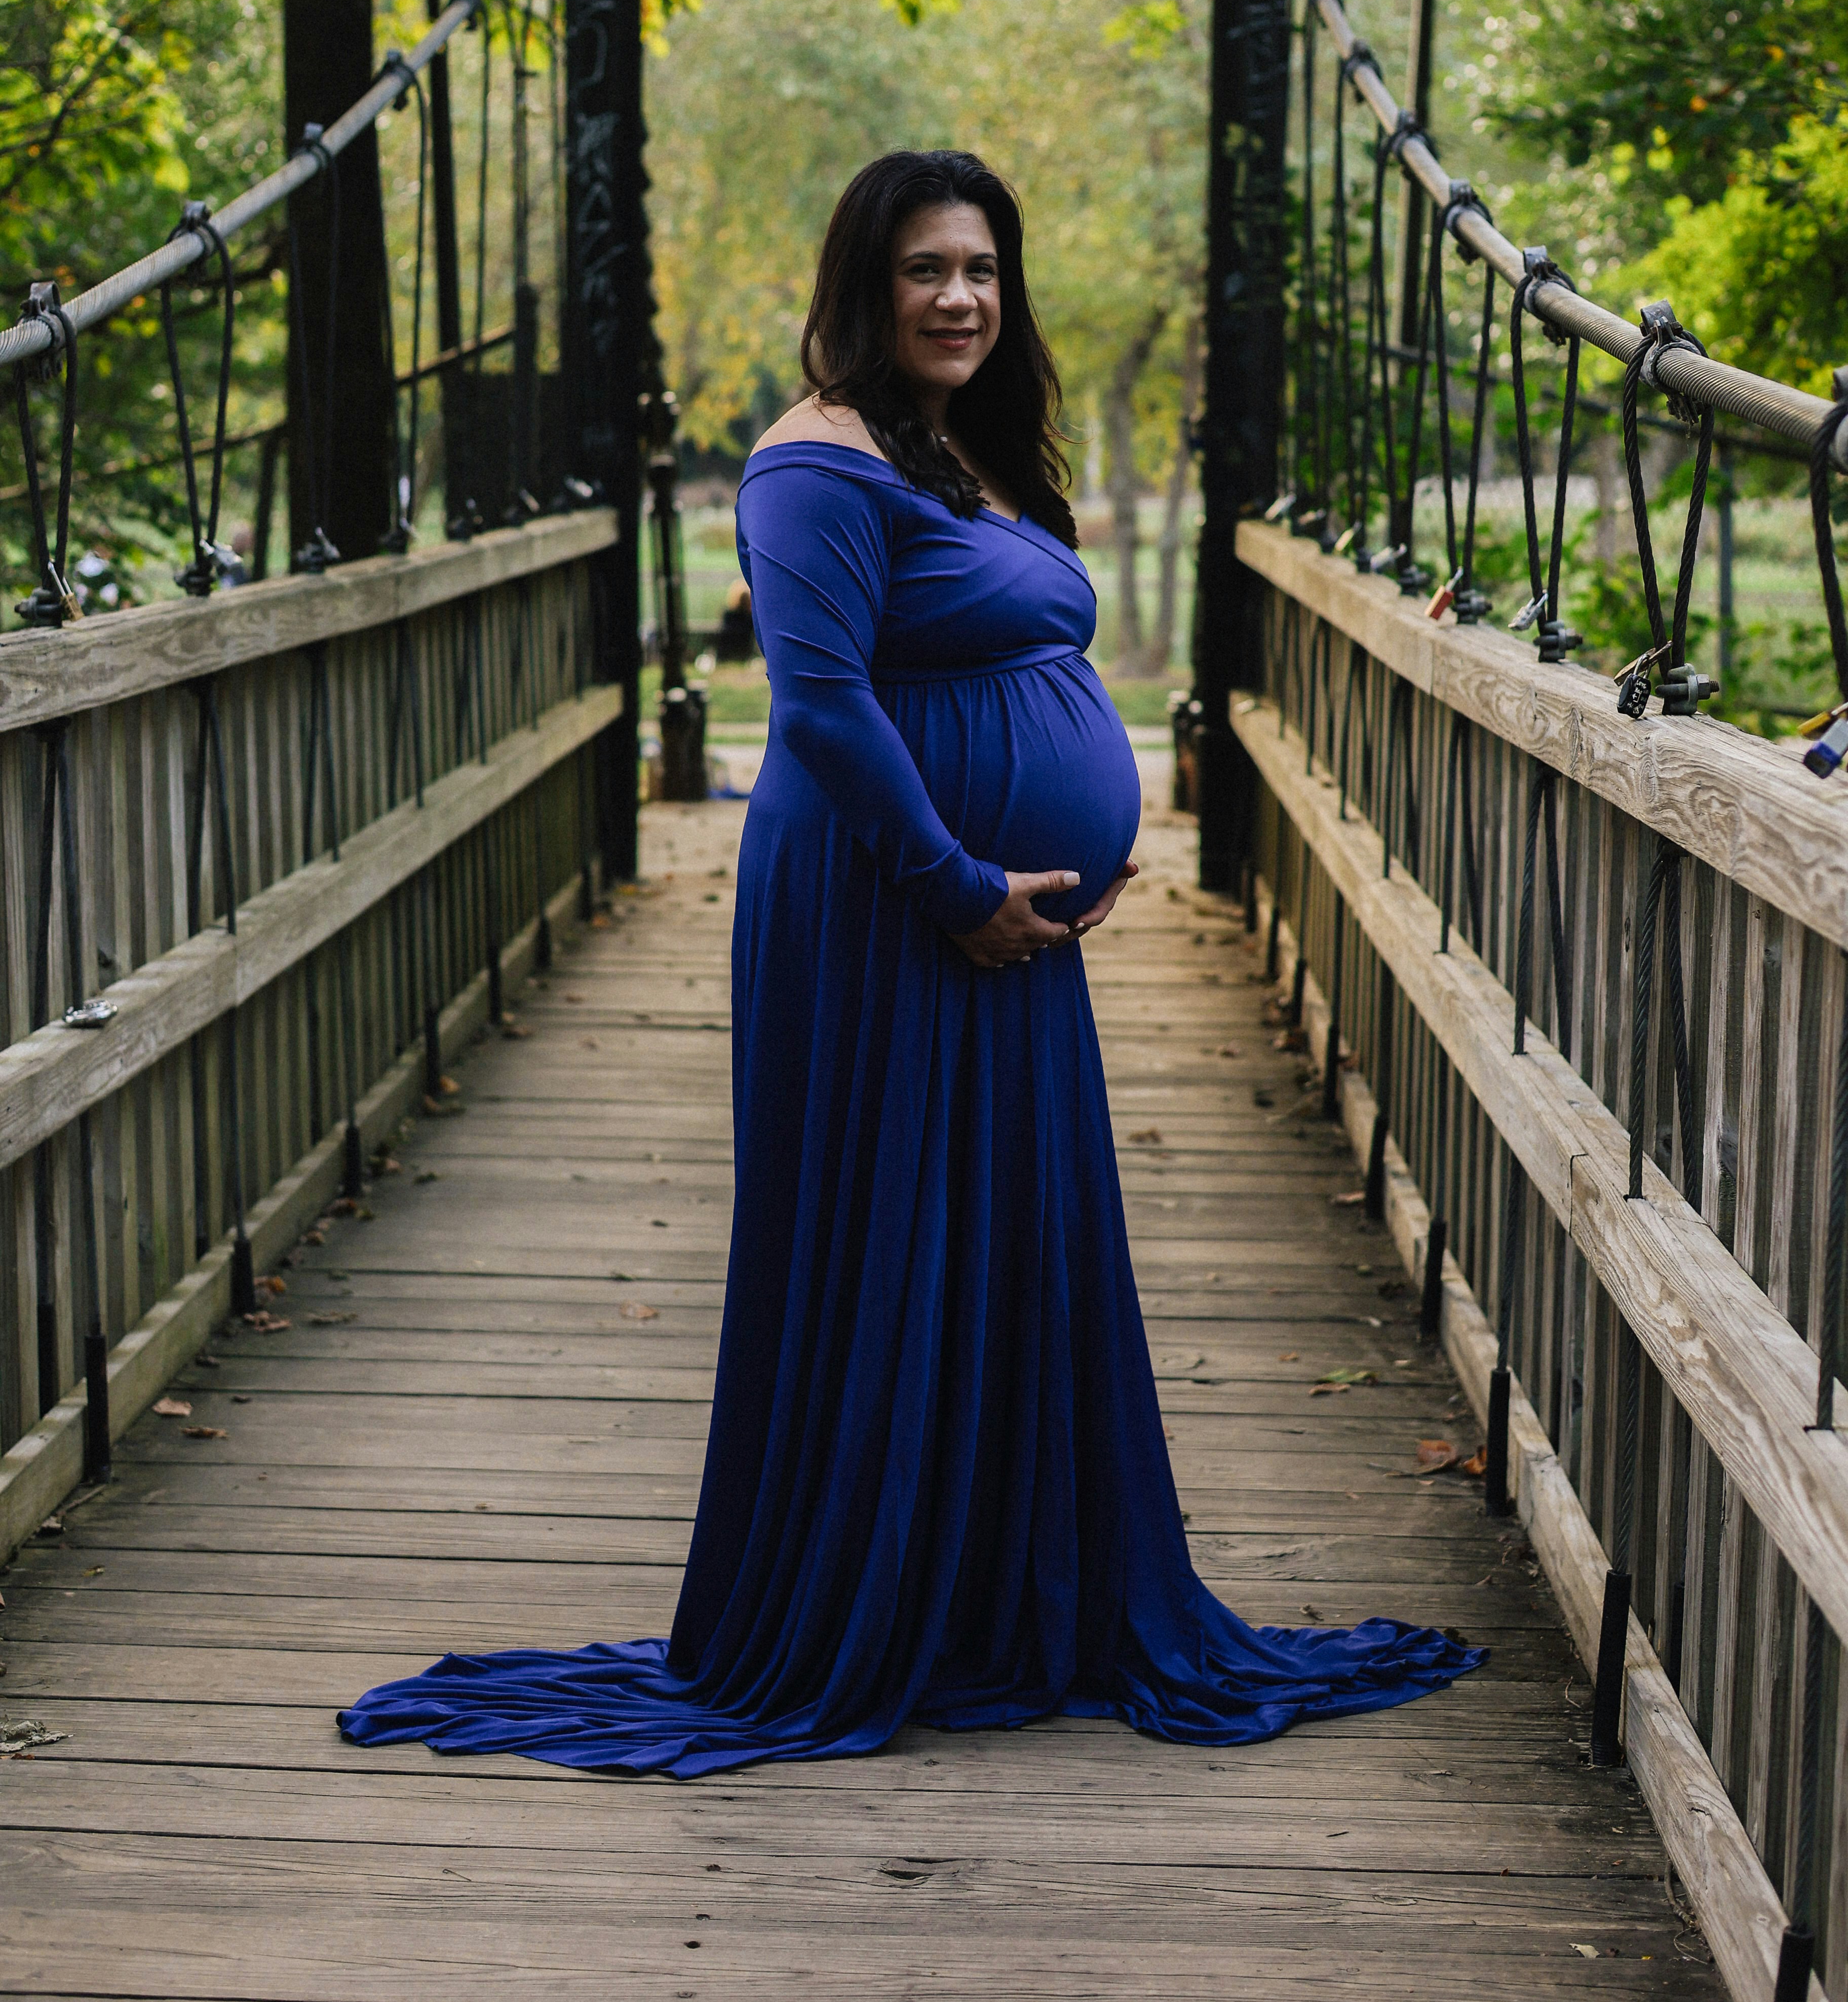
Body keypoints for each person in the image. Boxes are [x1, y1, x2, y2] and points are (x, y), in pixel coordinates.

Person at [339, 150, 1481, 1779]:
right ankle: (870, 1602)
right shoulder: (811, 465)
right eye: (925, 270)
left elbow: (1016, 654)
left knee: (1005, 1237)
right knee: (894, 1233)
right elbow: (816, 705)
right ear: (865, 288)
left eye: (983, 270)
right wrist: (957, 882)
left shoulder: (965, 453)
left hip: (1002, 923)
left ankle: (995, 1595)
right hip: (891, 911)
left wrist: (1077, 827)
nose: (959, 297)